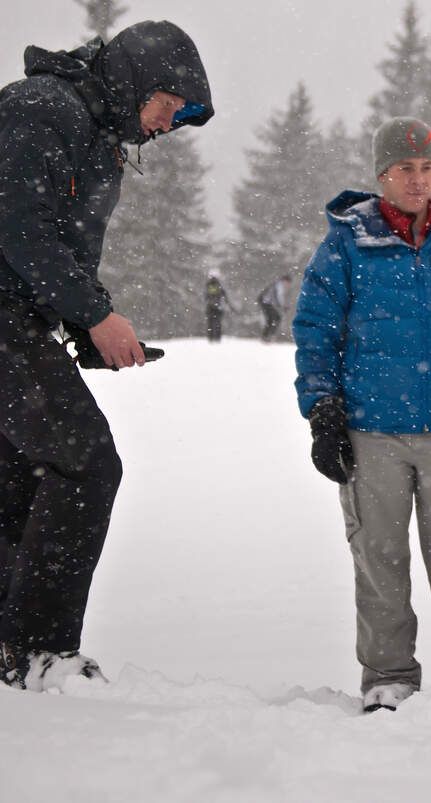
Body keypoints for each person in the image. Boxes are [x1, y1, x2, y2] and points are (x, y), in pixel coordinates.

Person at [0, 21, 214, 691]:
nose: (165, 125)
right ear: (140, 77)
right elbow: (19, 226)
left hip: (22, 322)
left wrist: (88, 321)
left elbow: (61, 250)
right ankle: (42, 650)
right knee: (88, 464)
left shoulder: (98, 139)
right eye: (167, 107)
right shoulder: (44, 109)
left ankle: (12, 648)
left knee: (20, 479)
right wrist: (94, 316)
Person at [293, 117, 431, 714]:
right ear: (382, 175)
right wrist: (322, 412)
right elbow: (316, 330)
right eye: (405, 169)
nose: (417, 180)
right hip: (371, 433)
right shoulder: (347, 244)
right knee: (380, 561)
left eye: (427, 168)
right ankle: (388, 675)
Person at [258, 274, 292, 341]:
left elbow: (276, 297)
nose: (288, 285)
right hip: (265, 303)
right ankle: (268, 336)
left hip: (265, 302)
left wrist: (282, 306)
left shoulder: (277, 284)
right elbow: (278, 297)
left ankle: (267, 336)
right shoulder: (279, 286)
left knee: (272, 319)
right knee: (275, 318)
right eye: (288, 283)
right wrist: (283, 306)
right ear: (285, 281)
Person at [203, 270, 230, 342]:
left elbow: (205, 296)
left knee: (210, 323)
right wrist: (226, 303)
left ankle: (210, 337)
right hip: (218, 307)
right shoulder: (219, 285)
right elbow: (224, 295)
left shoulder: (208, 285)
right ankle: (217, 337)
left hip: (210, 307)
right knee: (218, 323)